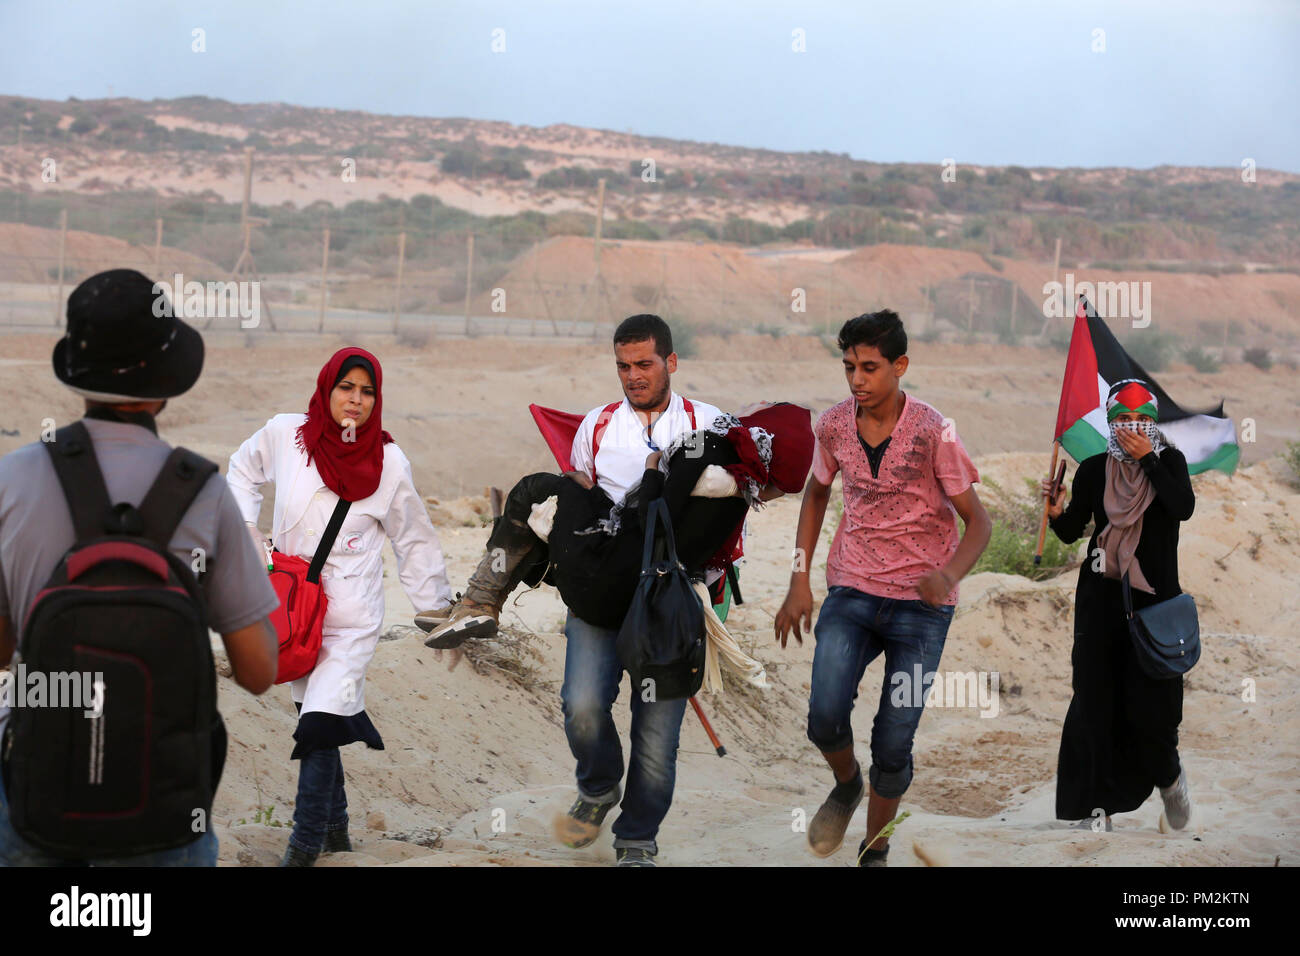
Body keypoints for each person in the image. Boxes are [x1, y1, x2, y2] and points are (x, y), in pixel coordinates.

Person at [432, 314, 735, 867]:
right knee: (582, 707)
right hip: (598, 599)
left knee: (656, 738)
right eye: (623, 366)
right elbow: (581, 510)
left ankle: (637, 840)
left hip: (670, 607)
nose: (633, 376)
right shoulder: (596, 426)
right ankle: (598, 788)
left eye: (644, 364)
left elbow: (729, 510)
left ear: (671, 361)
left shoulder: (709, 423)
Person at [0, 268, 279, 866]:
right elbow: (257, 670)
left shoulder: (11, 480)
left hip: (37, 801)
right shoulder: (205, 492)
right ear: (163, 385)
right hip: (164, 807)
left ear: (79, 376)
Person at [775, 310, 991, 867]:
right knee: (824, 715)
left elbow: (980, 522)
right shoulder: (833, 426)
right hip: (852, 589)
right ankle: (847, 784)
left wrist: (947, 576)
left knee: (893, 740)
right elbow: (816, 494)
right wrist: (799, 578)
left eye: (869, 368)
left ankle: (874, 850)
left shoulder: (933, 431)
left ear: (900, 366)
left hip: (923, 606)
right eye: (849, 367)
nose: (857, 380)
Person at [227, 346, 452, 867]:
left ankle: (302, 849)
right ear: (326, 389)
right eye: (346, 388)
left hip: (351, 614)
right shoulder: (287, 434)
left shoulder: (388, 462)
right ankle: (338, 834)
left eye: (367, 391)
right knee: (313, 711)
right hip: (294, 606)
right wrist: (245, 529)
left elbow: (413, 539)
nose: (356, 400)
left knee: (321, 722)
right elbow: (241, 470)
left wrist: (436, 608)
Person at [1042, 378, 1195, 832]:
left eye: (1142, 421)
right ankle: (1095, 810)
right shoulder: (1092, 470)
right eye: (1123, 420)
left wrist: (1149, 460)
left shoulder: (1170, 463)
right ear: (1109, 425)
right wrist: (1055, 513)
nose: (1132, 428)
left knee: (1153, 710)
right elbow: (1073, 530)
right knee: (1093, 702)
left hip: (1155, 607)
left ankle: (1170, 781)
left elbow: (1181, 506)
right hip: (1100, 606)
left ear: (1154, 425)